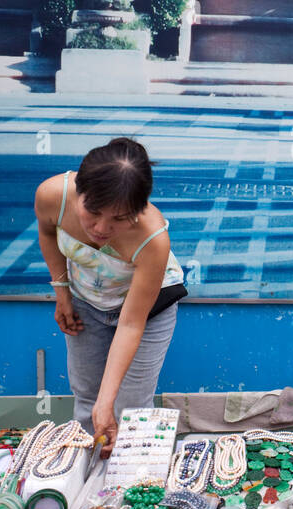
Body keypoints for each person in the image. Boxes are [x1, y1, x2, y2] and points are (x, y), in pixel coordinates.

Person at [34, 138, 188, 454]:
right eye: (92, 211)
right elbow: (48, 233)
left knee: (130, 404)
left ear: (139, 209)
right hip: (84, 299)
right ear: (79, 190)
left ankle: (134, 482)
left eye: (118, 218)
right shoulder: (53, 195)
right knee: (87, 395)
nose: (101, 228)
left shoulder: (153, 239)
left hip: (145, 309)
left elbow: (131, 324)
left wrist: (108, 404)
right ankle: (87, 484)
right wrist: (61, 291)